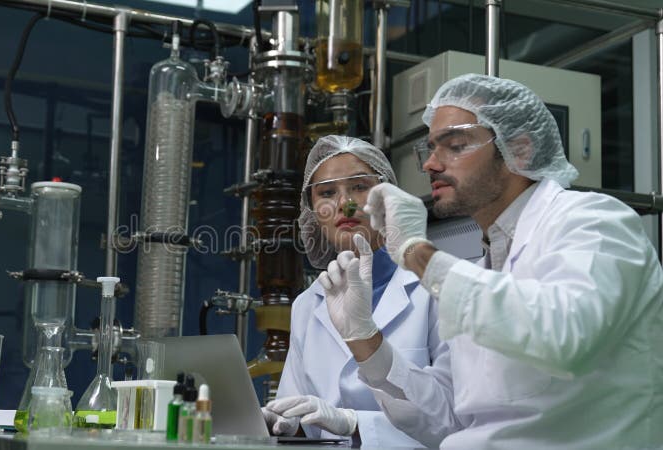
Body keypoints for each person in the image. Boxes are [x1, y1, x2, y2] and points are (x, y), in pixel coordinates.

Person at [319, 73, 663, 449]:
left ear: (521, 149)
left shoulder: (594, 223)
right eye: (430, 148)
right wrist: (364, 337)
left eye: (454, 145)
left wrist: (417, 253)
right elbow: (449, 417)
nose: (430, 164)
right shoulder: (485, 268)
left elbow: (564, 336)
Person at [260, 135, 445, 447]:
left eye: (359, 187)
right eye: (327, 192)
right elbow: (297, 409)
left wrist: (354, 424)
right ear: (313, 213)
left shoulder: (432, 288)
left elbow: (454, 418)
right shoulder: (308, 304)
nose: (344, 204)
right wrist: (286, 424)